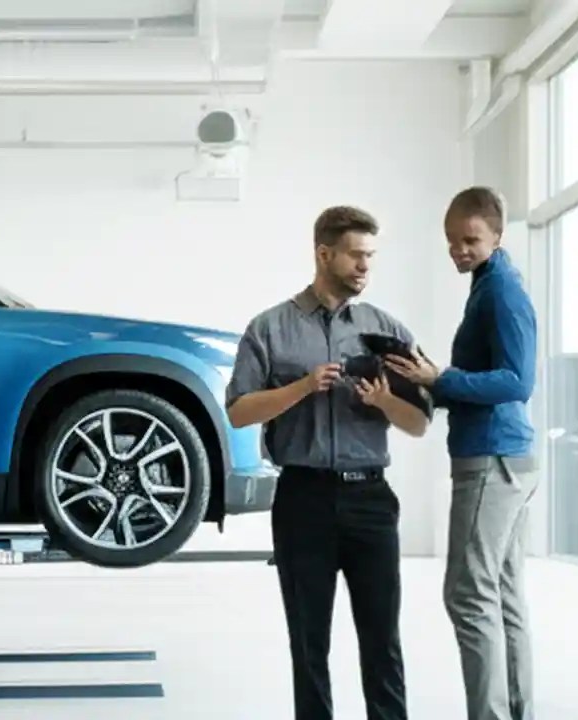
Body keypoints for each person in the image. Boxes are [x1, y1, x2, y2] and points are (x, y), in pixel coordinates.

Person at [227, 205, 432, 720]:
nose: (366, 266)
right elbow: (237, 411)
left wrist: (384, 401)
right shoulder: (269, 329)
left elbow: (419, 423)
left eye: (371, 256)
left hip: (371, 501)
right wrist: (301, 387)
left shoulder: (387, 330)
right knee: (308, 643)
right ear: (324, 253)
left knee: (382, 641)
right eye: (356, 255)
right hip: (303, 499)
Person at [383, 186, 538, 720]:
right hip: (507, 457)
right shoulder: (486, 284)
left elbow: (519, 381)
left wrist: (441, 377)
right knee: (502, 594)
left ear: (497, 235)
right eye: (452, 241)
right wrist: (430, 381)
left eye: (470, 240)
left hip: (492, 461)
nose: (459, 250)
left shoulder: (502, 292)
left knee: (468, 596)